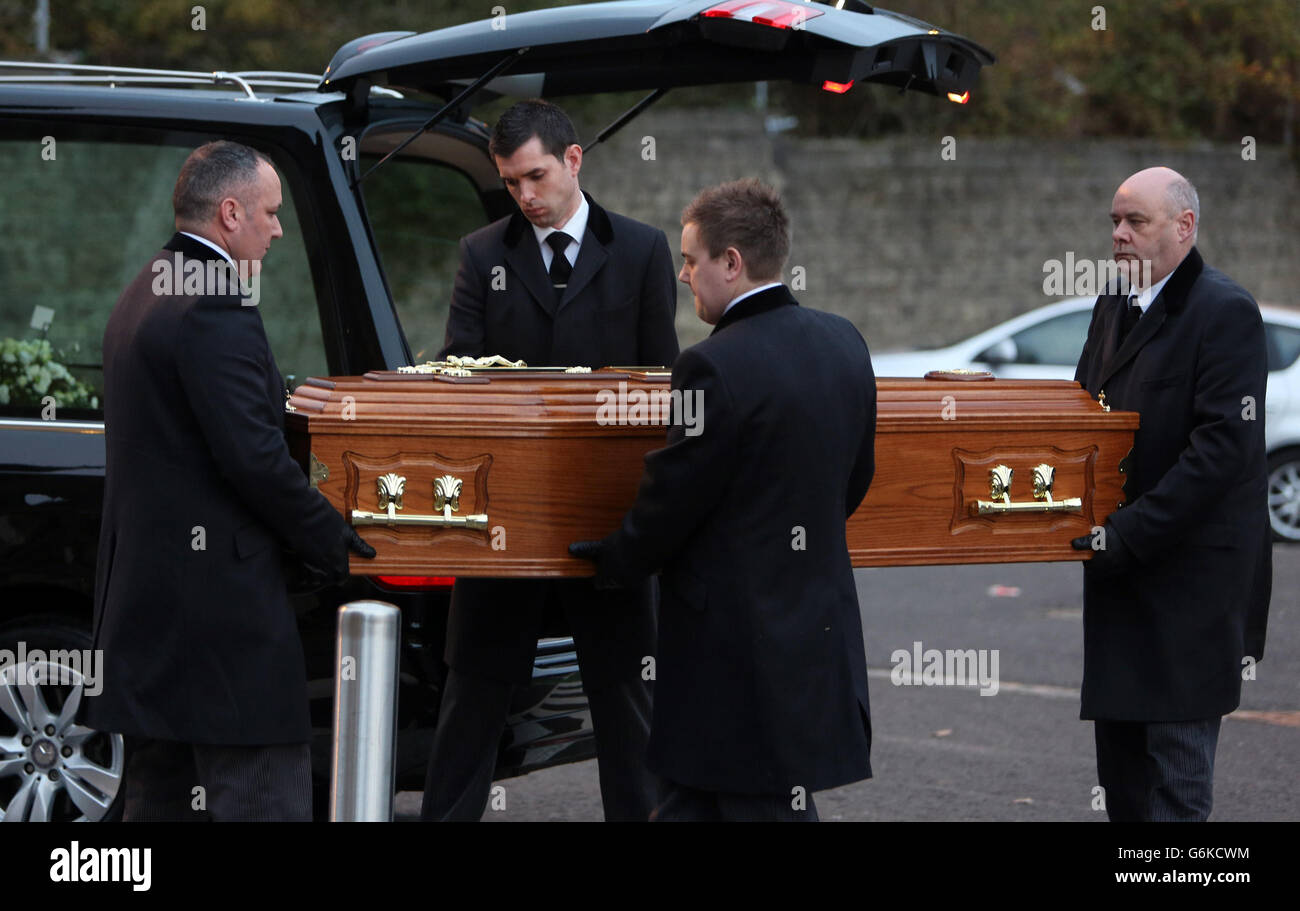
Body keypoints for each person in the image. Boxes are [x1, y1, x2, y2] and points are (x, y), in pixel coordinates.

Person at [81, 140, 375, 821]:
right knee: (263, 797)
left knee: (158, 808)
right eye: (270, 214)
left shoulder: (147, 285)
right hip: (219, 626)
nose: (277, 229)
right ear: (231, 212)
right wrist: (338, 540)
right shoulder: (215, 303)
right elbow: (254, 457)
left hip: (153, 614)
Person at [570, 179, 877, 821]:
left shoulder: (710, 366)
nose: (683, 276)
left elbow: (673, 497)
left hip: (732, 647)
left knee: (752, 801)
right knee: (724, 799)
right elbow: (854, 478)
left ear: (731, 263)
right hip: (813, 622)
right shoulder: (844, 341)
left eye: (691, 260)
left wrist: (616, 560)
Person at [422, 99, 678, 821]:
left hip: (609, 514)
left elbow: (662, 384)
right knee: (473, 692)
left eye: (534, 176)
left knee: (626, 696)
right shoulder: (481, 253)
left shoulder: (641, 249)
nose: (525, 196)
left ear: (573, 160)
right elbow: (458, 375)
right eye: (510, 183)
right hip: (506, 515)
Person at [1071, 166, 1272, 822]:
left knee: (1175, 796)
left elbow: (1221, 452)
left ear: (1184, 227)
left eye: (1136, 221)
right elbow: (1082, 419)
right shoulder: (1112, 304)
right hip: (1121, 590)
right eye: (1114, 221)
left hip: (1189, 596)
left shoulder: (1225, 311)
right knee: (1125, 791)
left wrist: (1124, 533)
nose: (1119, 235)